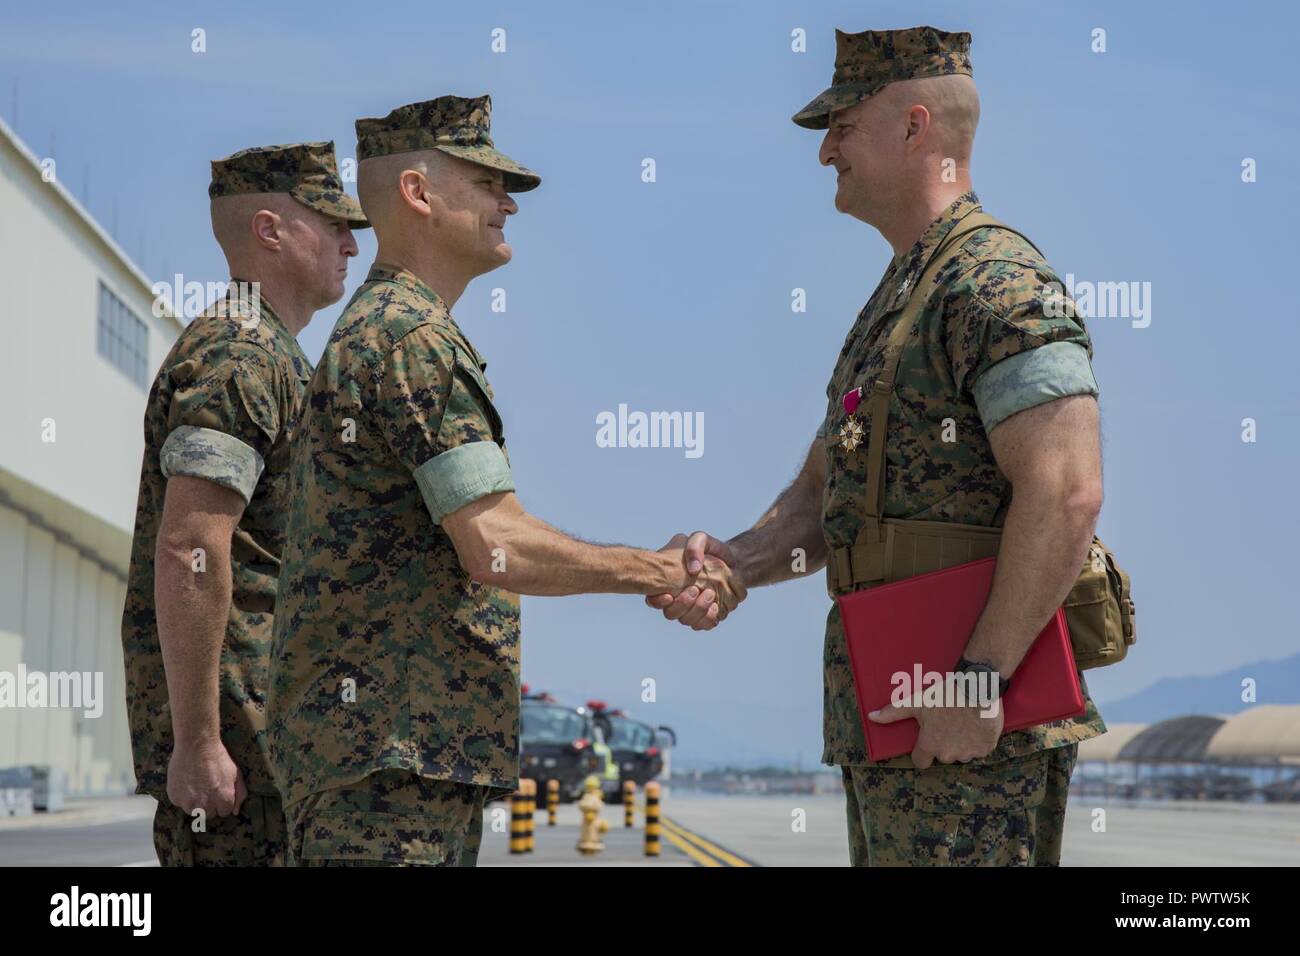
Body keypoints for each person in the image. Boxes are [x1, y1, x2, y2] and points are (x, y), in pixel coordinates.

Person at [648, 26, 1108, 866]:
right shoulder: (902, 296)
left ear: (914, 127)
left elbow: (1067, 491)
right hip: (902, 710)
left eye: (842, 125)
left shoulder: (996, 281)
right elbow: (828, 496)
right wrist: (736, 561)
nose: (826, 151)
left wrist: (979, 681)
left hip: (974, 726)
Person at [267, 95, 744, 867]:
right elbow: (494, 545)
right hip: (389, 763)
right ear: (418, 194)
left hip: (392, 755)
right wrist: (660, 570)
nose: (508, 203)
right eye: (486, 182)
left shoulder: (394, 328)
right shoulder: (407, 337)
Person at [121, 141, 366, 865]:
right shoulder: (240, 356)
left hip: (275, 741)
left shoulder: (274, 354)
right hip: (241, 758)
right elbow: (190, 549)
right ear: (270, 230)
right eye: (333, 223)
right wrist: (199, 742)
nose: (353, 243)